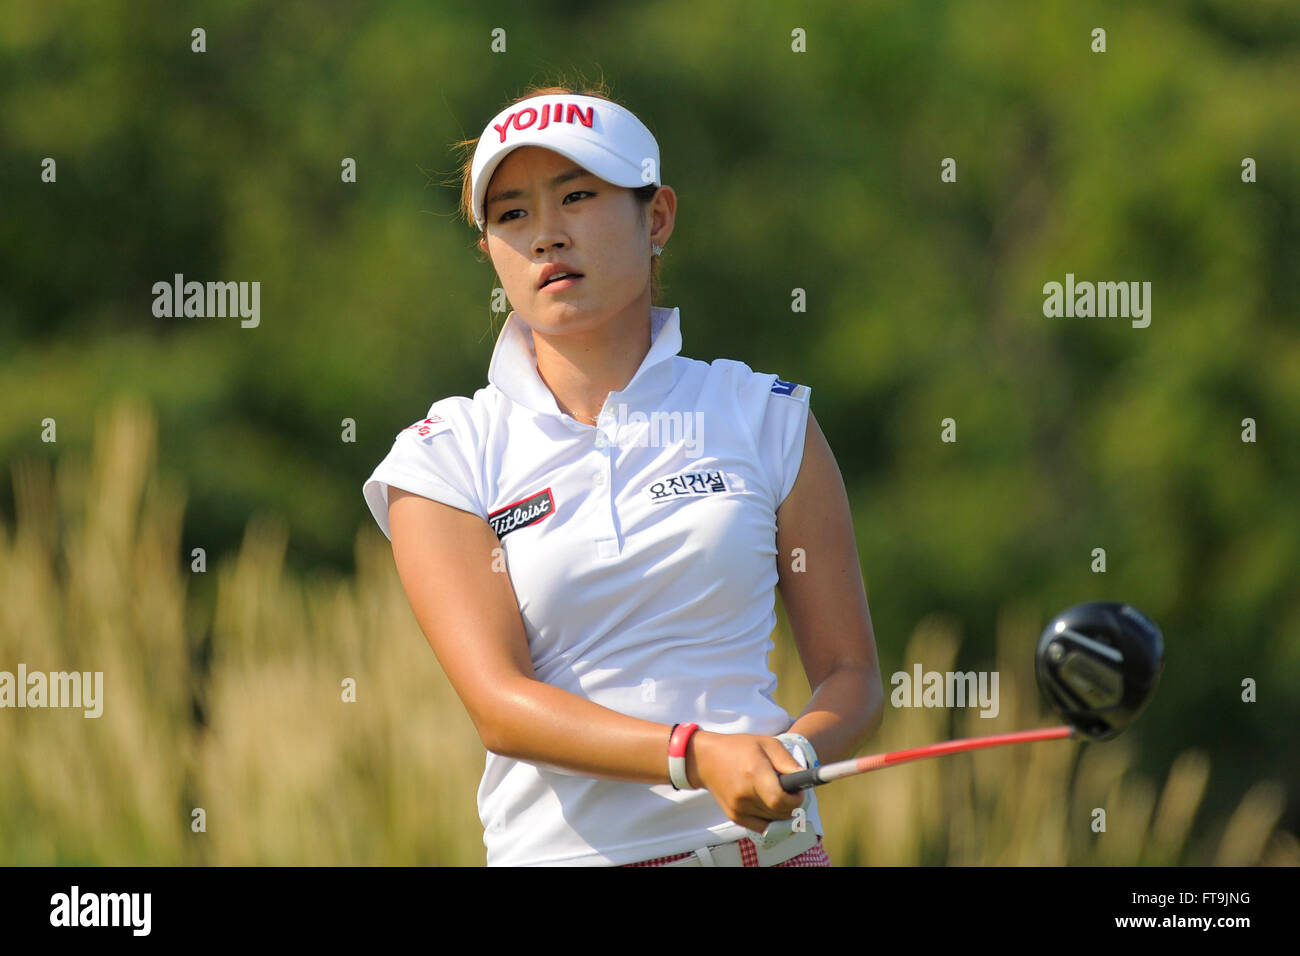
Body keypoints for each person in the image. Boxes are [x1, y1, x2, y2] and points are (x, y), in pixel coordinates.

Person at [362, 81, 883, 866]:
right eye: (512, 214)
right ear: (490, 253)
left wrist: (795, 753)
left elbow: (851, 674)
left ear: (658, 218)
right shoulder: (443, 455)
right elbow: (500, 707)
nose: (546, 235)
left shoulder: (765, 414)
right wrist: (698, 754)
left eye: (577, 196)